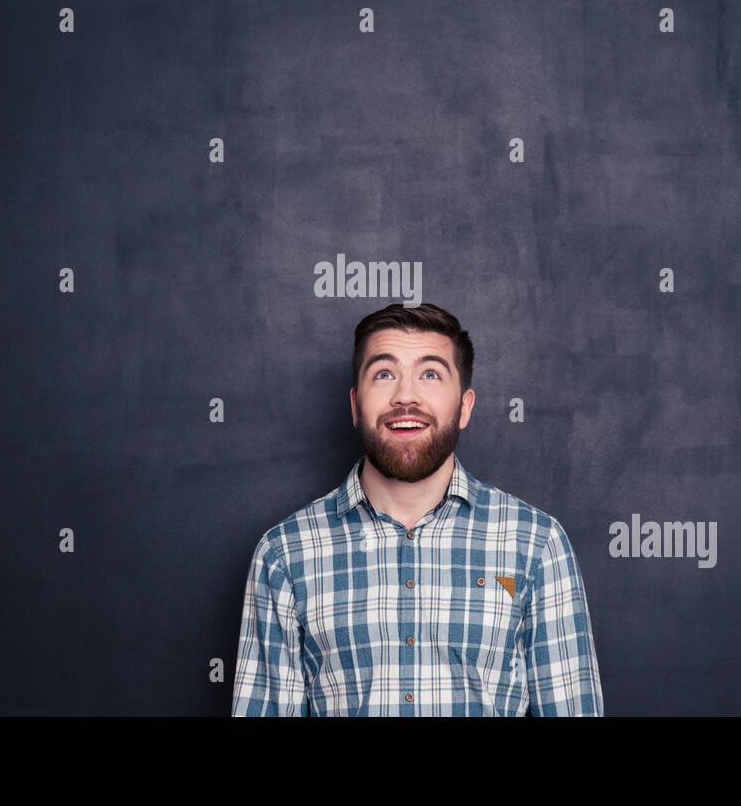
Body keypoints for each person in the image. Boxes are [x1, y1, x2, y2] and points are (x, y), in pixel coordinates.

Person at [230, 302, 604, 716]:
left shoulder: (536, 544)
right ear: (356, 405)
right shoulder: (284, 553)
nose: (405, 396)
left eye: (430, 374)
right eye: (384, 374)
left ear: (464, 406)